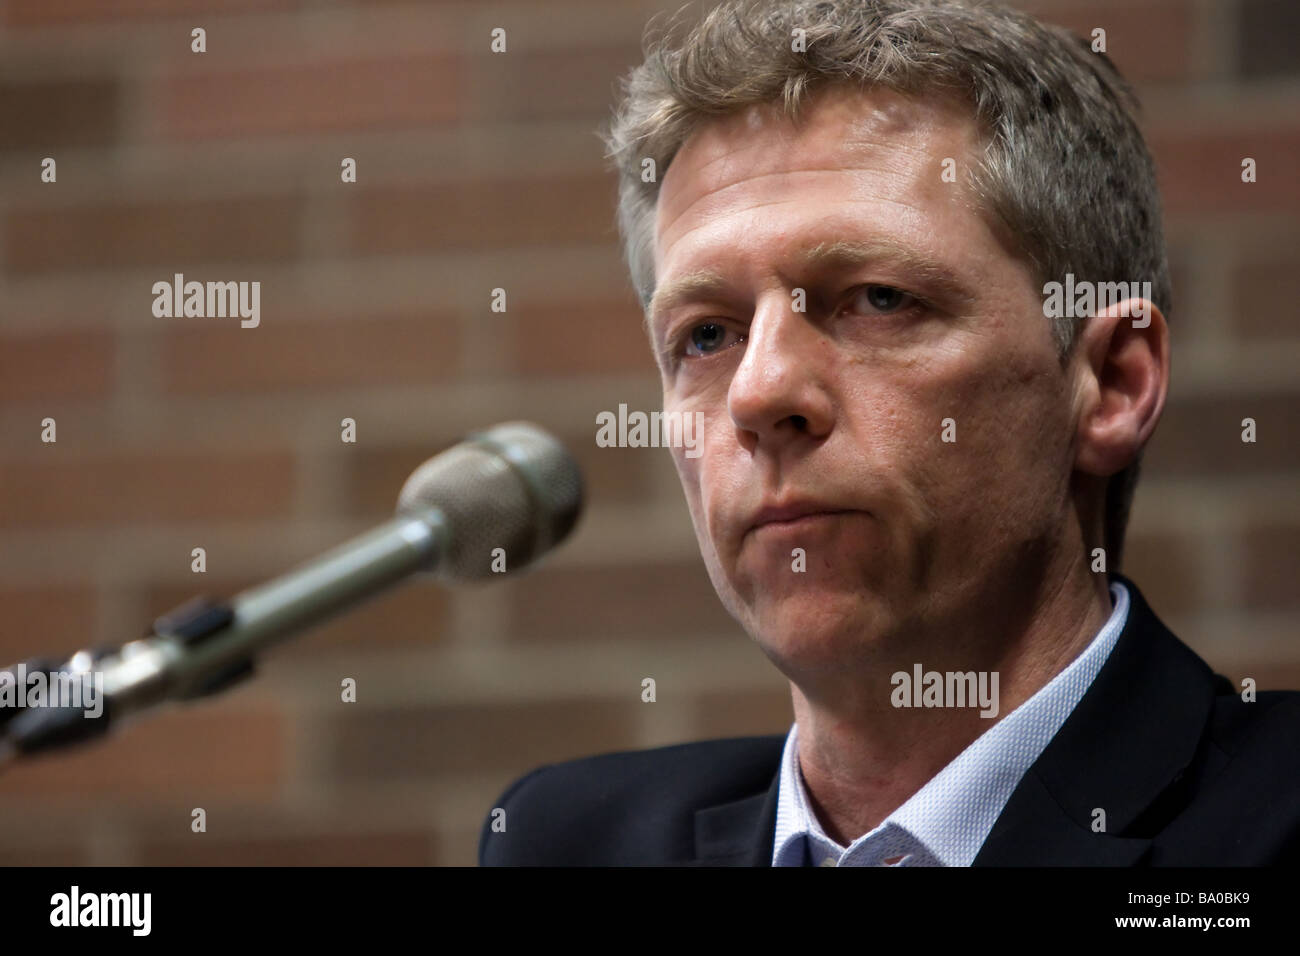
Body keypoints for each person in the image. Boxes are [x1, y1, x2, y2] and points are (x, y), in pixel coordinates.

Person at [479, 0, 1300, 866]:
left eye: (877, 299)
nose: (759, 393)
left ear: (1111, 386)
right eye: (708, 335)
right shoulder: (566, 843)